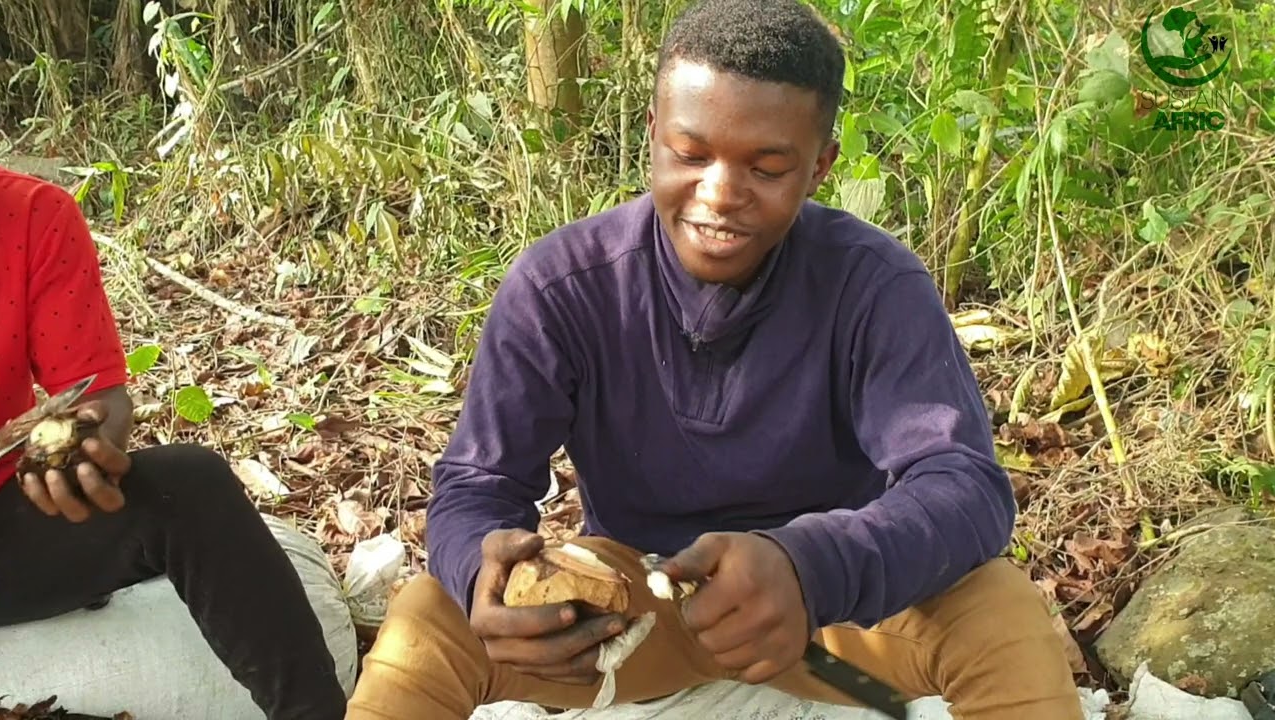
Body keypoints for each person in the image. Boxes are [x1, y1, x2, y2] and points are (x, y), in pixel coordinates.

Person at [347, 0, 1084, 718]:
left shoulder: (871, 286)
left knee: (999, 614)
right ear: (653, 135)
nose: (720, 194)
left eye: (766, 168)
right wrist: (484, 571)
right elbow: (477, 482)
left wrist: (809, 566)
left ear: (819, 167)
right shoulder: (561, 286)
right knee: (429, 619)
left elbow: (965, 487)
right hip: (628, 620)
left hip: (819, 624)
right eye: (691, 154)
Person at [0, 163, 348, 720]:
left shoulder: (32, 214)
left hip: (6, 528)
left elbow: (99, 398)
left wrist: (77, 451)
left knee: (186, 484)